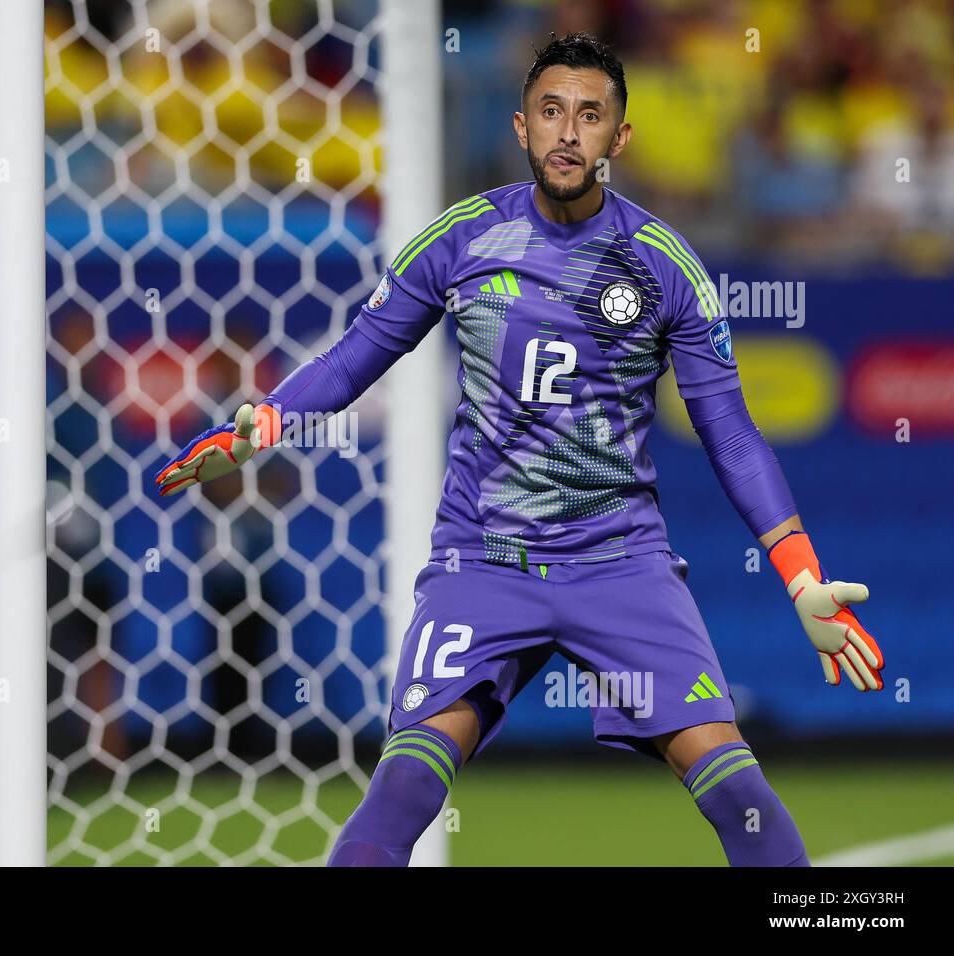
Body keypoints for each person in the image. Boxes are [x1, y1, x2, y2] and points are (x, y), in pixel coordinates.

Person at [154, 33, 884, 867]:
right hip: (483, 563)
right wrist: (271, 420)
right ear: (521, 126)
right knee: (402, 789)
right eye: (550, 111)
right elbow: (357, 356)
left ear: (620, 138)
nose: (568, 132)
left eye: (589, 115)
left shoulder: (663, 264)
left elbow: (731, 432)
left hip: (619, 563)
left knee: (738, 793)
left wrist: (798, 573)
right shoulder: (462, 239)